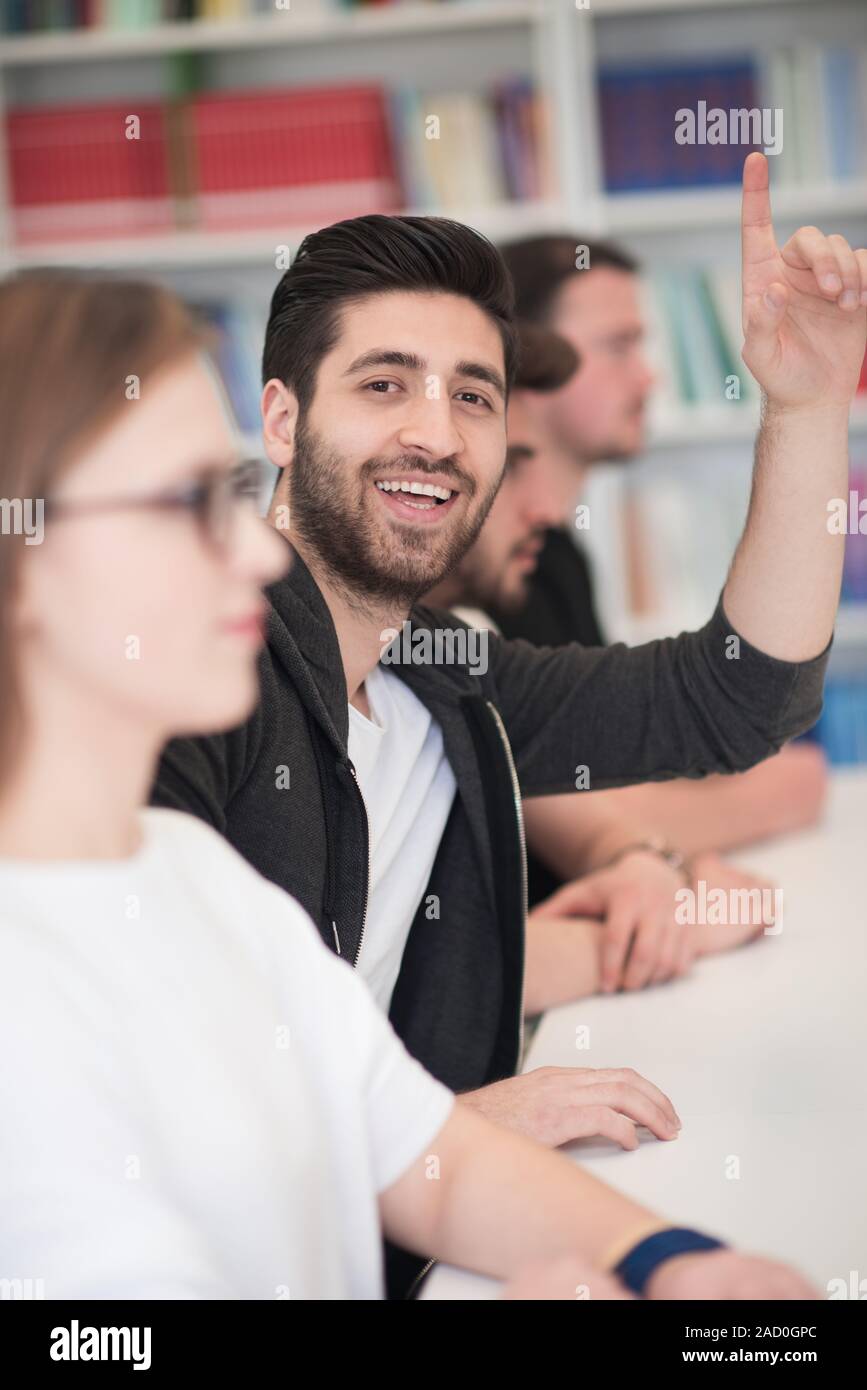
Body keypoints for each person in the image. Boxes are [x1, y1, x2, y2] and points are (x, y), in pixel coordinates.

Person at [0, 271, 819, 1303]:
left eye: (475, 398)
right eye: (185, 502)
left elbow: (420, 1149)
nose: (254, 548)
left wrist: (679, 1262)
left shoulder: (194, 874)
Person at [492, 230, 830, 958]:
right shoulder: (476, 584)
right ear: (527, 366)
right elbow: (540, 796)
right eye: (618, 346)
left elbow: (612, 772)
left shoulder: (555, 558)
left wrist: (646, 854)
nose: (647, 378)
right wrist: (755, 803)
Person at [426, 321, 776, 1010]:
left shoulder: (450, 645)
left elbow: (581, 802)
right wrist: (667, 927)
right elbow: (387, 993)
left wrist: (641, 862)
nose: (548, 509)